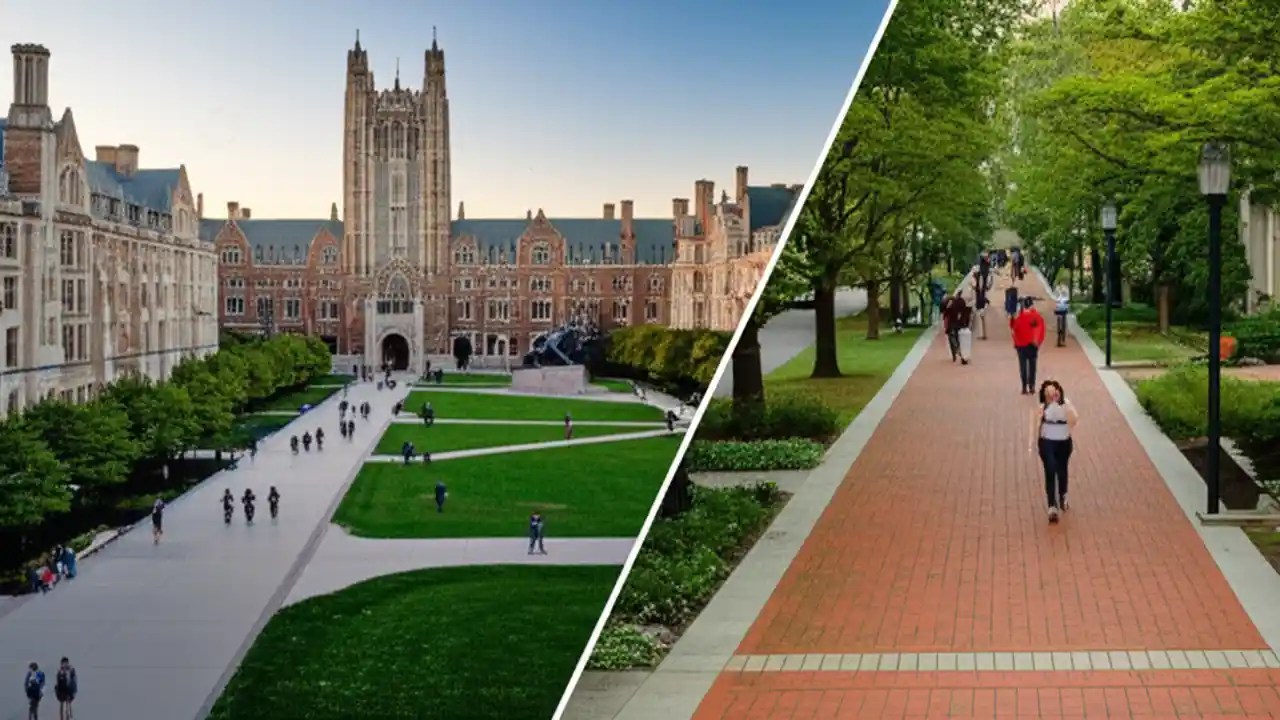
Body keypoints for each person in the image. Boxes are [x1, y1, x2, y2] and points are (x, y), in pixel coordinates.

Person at [1029, 380, 1079, 523]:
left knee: (1061, 470)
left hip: (1063, 442)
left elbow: (1074, 420)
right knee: (1050, 469)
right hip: (1047, 442)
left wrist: (1063, 405)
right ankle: (1052, 505)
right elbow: (1035, 424)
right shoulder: (1042, 407)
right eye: (1048, 393)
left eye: (1053, 392)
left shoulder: (1066, 404)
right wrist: (1033, 443)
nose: (1051, 395)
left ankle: (1063, 494)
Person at [1011, 297, 1046, 394]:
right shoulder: (1037, 317)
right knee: (1032, 366)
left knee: (1023, 366)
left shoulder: (1019, 317)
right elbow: (1041, 331)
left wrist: (1016, 342)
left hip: (1021, 345)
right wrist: (1038, 342)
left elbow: (1014, 329)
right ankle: (1032, 386)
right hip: (1033, 345)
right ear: (1032, 305)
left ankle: (1024, 386)